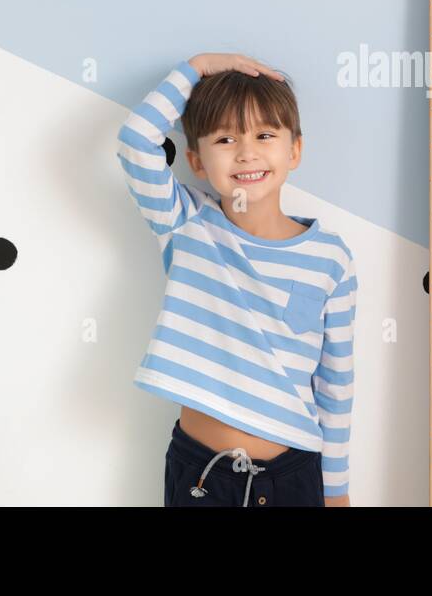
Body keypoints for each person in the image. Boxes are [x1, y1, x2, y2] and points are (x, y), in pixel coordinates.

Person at [116, 52, 357, 506]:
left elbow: (335, 385)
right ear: (197, 161)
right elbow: (135, 141)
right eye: (225, 139)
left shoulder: (331, 259)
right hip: (201, 477)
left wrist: (338, 492)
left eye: (265, 135)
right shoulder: (186, 223)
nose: (247, 152)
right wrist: (198, 66)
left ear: (295, 150)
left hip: (292, 479)